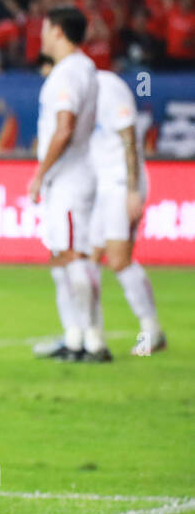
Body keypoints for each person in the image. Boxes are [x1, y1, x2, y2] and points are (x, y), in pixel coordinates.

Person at [28, 8, 104, 362]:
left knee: (74, 258)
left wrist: (40, 173)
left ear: (57, 31)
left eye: (45, 29)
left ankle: (93, 341)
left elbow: (64, 128)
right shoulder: (84, 68)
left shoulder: (69, 72)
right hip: (71, 175)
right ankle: (74, 337)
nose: (42, 36)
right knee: (62, 258)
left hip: (69, 177)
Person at [88, 67, 164, 356]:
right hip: (98, 184)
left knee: (119, 260)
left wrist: (132, 189)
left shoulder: (108, 86)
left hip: (121, 182)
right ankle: (90, 334)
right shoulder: (71, 89)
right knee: (88, 259)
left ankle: (151, 330)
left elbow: (129, 136)